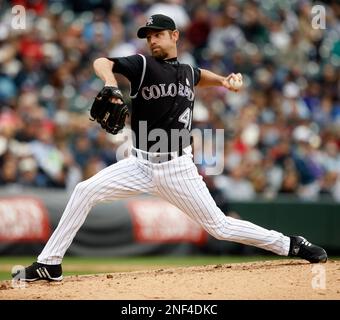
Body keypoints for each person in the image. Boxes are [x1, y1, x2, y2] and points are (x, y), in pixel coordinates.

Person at [13, 14, 327, 282]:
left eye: (158, 35)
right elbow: (101, 61)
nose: (152, 41)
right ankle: (49, 264)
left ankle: (290, 244)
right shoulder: (142, 65)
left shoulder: (187, 71)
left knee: (219, 226)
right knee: (84, 190)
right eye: (148, 36)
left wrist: (225, 81)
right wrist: (109, 84)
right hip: (139, 164)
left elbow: (198, 77)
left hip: (178, 168)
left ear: (174, 35)